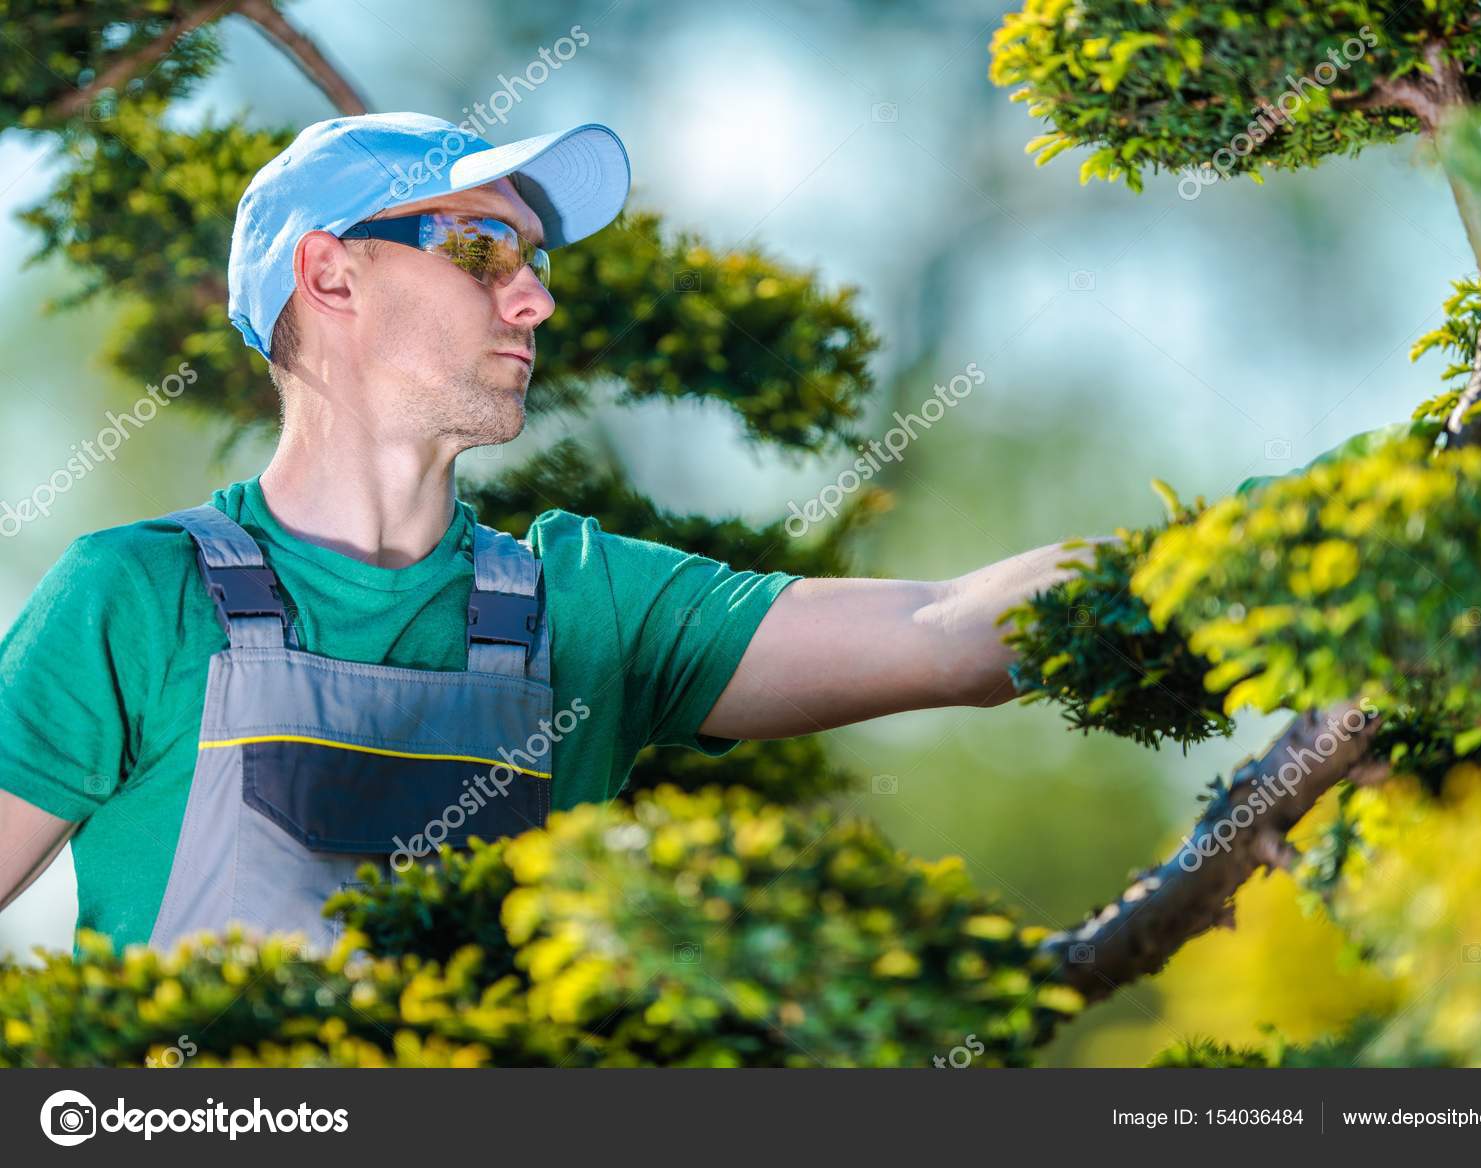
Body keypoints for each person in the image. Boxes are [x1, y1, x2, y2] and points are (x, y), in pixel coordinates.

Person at [0, 113, 1090, 954]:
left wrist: (1191, 565)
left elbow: (950, 633)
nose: (534, 302)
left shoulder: (583, 610)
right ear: (330, 274)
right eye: (482, 248)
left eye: (535, 263)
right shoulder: (135, 598)